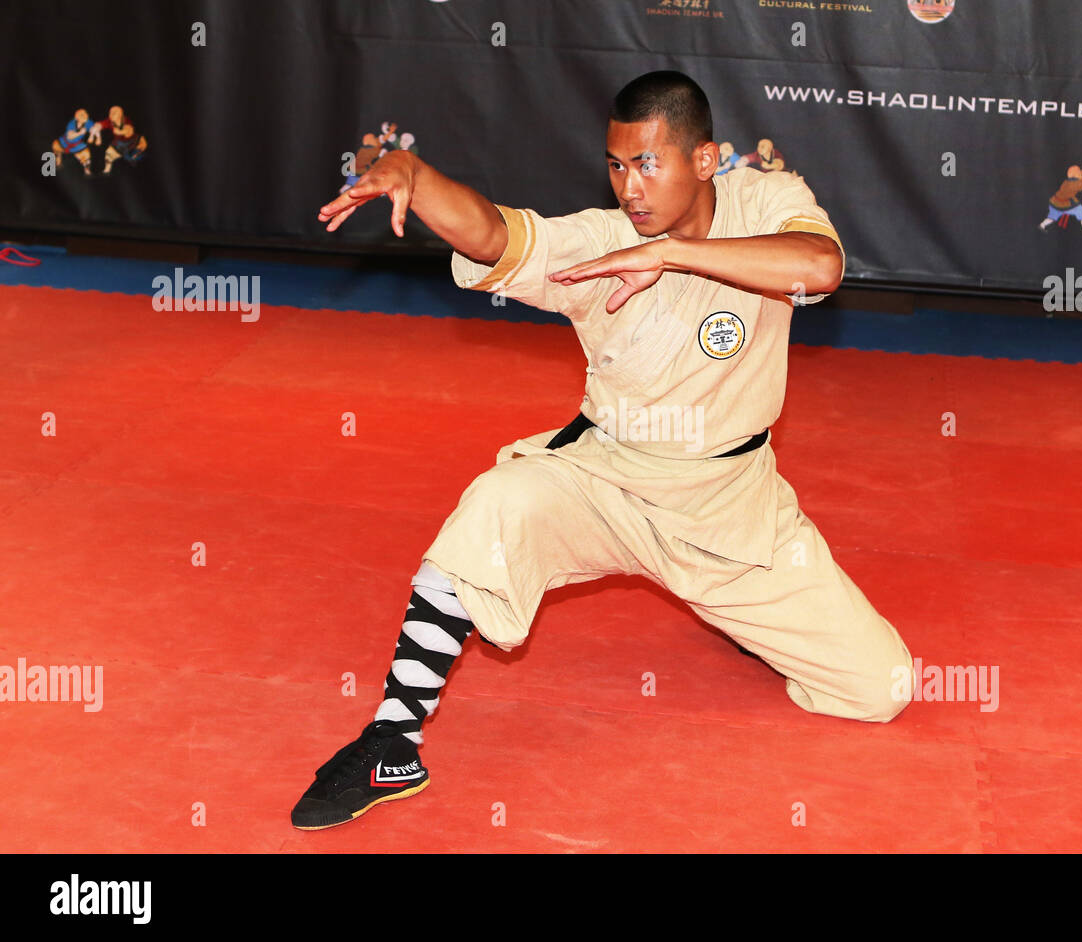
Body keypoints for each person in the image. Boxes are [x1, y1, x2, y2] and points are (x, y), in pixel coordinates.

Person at [292, 70, 913, 831]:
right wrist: (418, 181)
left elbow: (819, 268)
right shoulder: (601, 244)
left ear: (707, 159)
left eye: (649, 163)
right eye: (617, 164)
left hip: (732, 507)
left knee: (881, 688)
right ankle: (393, 742)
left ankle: (744, 617)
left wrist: (677, 258)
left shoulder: (767, 198)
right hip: (607, 482)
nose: (630, 187)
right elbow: (495, 234)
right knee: (496, 505)